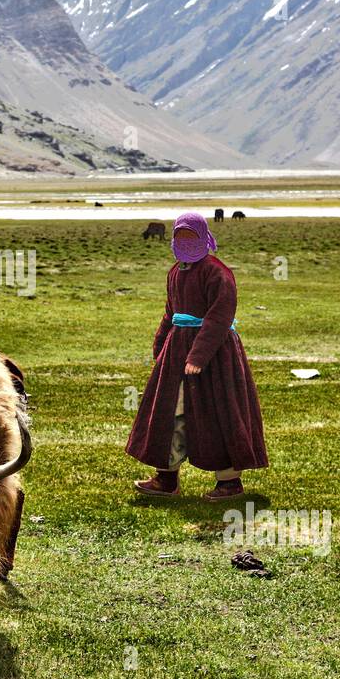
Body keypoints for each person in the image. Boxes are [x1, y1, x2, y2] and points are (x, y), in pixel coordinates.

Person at [126, 211, 268, 499]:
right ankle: (166, 479)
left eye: (190, 235)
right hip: (176, 351)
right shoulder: (175, 272)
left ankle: (229, 482)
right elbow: (171, 313)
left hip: (217, 355)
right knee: (171, 410)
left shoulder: (218, 273)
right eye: (180, 235)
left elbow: (219, 317)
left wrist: (198, 356)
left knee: (220, 412)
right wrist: (161, 346)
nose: (185, 240)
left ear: (203, 236)